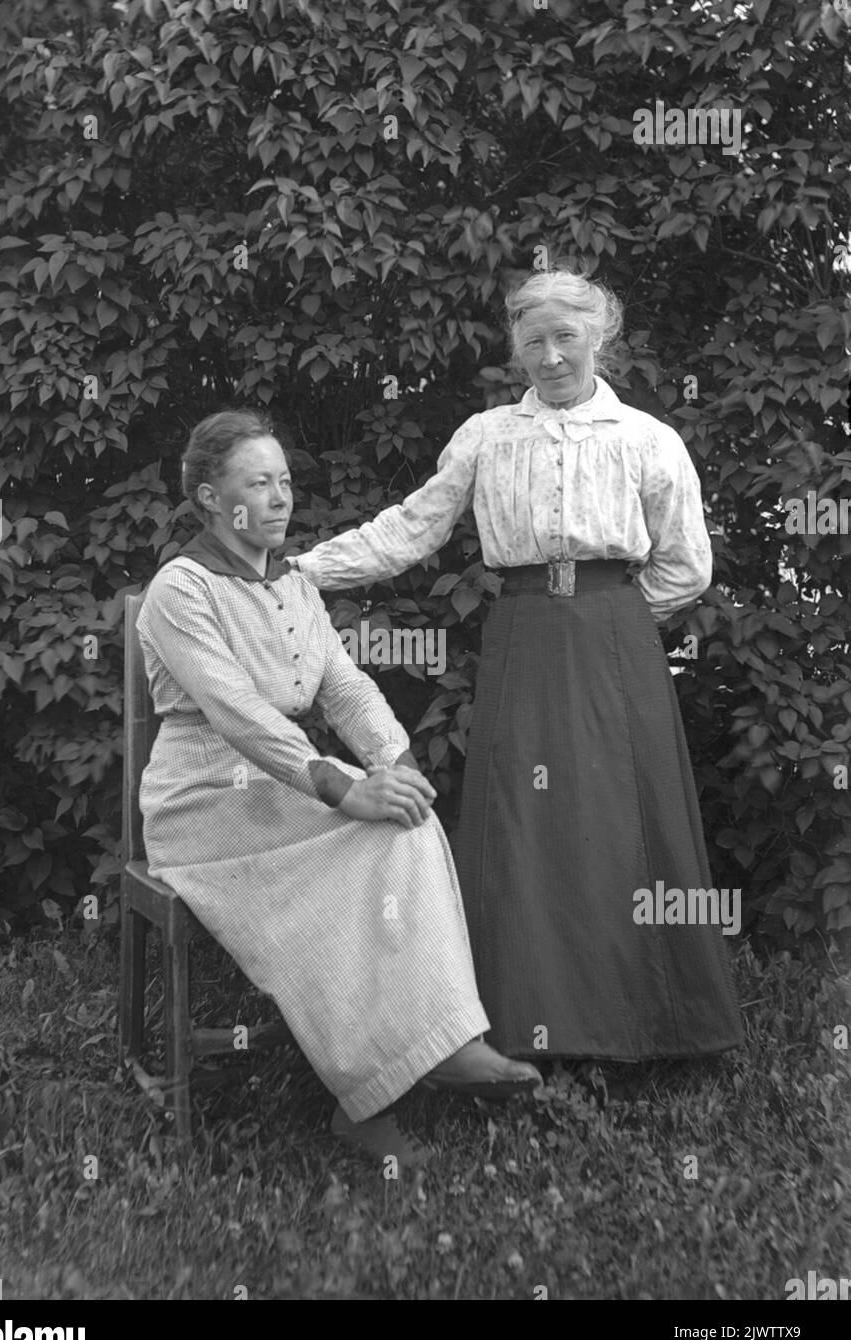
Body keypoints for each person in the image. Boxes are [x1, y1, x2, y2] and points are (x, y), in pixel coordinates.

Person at [290, 267, 743, 1068]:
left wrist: (617, 622)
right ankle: (521, 1027)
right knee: (523, 821)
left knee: (620, 817)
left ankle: (652, 1030)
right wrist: (302, 570)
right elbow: (410, 528)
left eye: (566, 336)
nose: (551, 356)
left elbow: (686, 566)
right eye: (533, 340)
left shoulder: (645, 439)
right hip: (523, 635)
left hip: (614, 641)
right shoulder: (485, 436)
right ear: (516, 349)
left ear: (598, 338)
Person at [136, 411, 540, 1165]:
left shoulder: (293, 585)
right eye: (258, 483)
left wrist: (396, 762)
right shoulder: (179, 590)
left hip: (277, 789)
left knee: (407, 820)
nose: (280, 497)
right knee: (362, 838)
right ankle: (372, 1091)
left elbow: (345, 691)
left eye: (284, 480)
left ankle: (451, 1039)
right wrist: (338, 786)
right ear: (209, 501)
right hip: (202, 803)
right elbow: (239, 714)